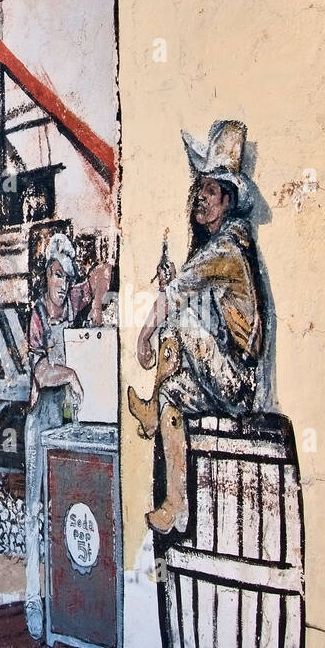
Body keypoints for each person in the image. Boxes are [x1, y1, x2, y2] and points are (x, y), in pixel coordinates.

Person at [127, 120, 265, 536]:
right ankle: (176, 505)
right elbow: (197, 295)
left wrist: (144, 334)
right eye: (199, 188)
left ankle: (151, 406)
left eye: (209, 191)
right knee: (173, 397)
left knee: (177, 320)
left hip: (238, 383)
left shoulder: (225, 248)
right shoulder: (216, 248)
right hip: (221, 375)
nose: (199, 198)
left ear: (227, 200)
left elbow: (180, 296)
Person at [23, 232, 110, 639]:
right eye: (57, 275)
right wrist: (70, 373)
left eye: (67, 277)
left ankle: (65, 602)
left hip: (69, 424)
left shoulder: (73, 301)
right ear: (46, 274)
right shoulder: (37, 315)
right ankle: (32, 598)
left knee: (67, 512)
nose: (62, 284)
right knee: (36, 512)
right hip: (42, 423)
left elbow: (100, 277)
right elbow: (41, 372)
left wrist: (96, 299)